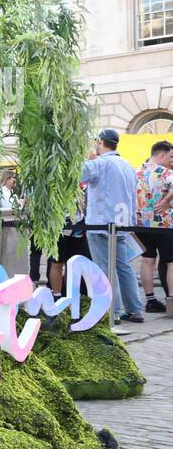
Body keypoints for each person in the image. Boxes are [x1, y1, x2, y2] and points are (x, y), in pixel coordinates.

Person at [81, 129, 145, 323]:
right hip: (122, 224)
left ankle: (112, 311)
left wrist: (87, 157)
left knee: (105, 268)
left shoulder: (100, 164)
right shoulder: (127, 165)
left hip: (102, 224)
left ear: (100, 142)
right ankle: (134, 309)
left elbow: (78, 174)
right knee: (123, 267)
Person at [135, 140, 173, 312]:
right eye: (171, 156)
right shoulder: (165, 173)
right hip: (164, 224)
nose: (172, 160)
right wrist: (166, 200)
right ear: (161, 155)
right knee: (172, 262)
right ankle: (172, 300)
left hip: (141, 224)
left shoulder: (136, 171)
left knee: (147, 261)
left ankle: (150, 300)